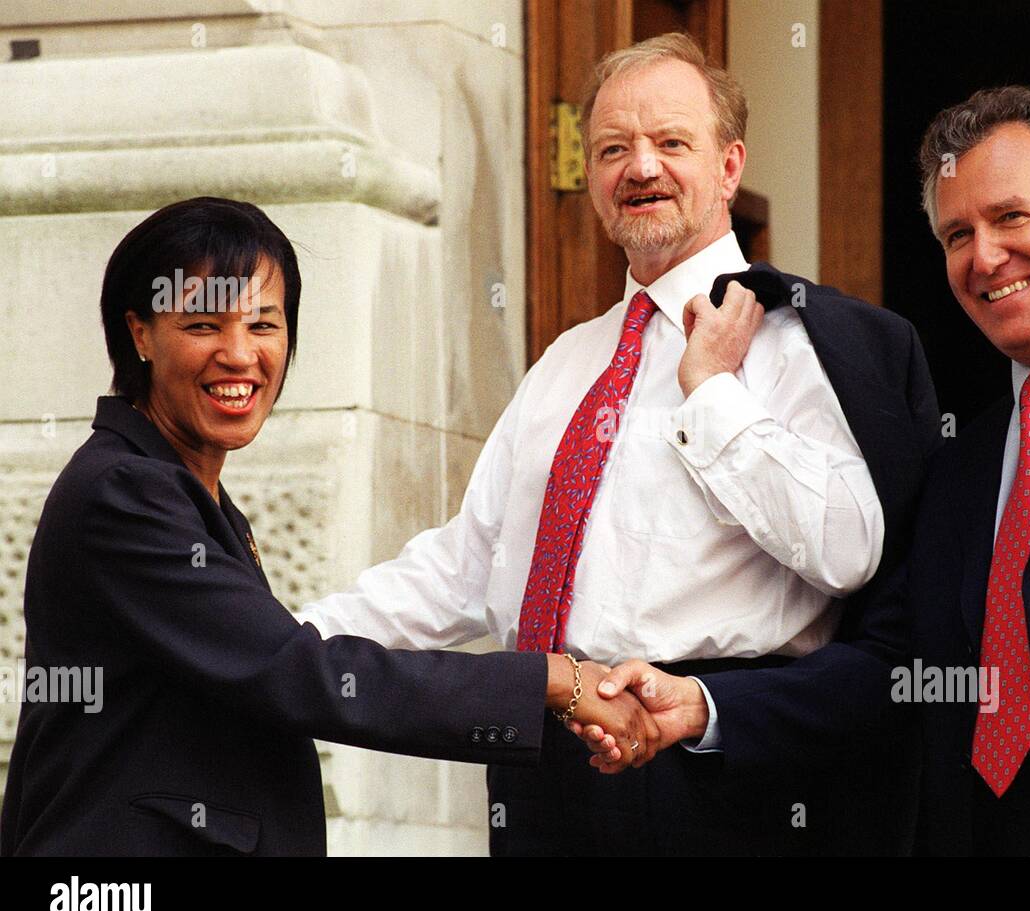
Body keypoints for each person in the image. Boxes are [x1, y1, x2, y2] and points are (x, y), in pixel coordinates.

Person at [586, 86, 1030, 856]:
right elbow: (896, 674)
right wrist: (700, 707)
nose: (985, 256)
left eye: (1011, 217)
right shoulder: (962, 461)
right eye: (958, 233)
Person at [297, 34, 938, 855]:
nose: (641, 168)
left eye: (672, 143)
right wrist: (289, 647)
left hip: (720, 775)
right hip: (546, 772)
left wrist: (710, 394)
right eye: (613, 149)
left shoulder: (805, 342)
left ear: (730, 166)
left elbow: (848, 549)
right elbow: (467, 564)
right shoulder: (565, 363)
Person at [0, 197, 650, 856]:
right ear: (139, 333)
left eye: (263, 324)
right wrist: (547, 681)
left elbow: (273, 667)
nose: (238, 354)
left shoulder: (186, 493)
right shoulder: (124, 490)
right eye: (202, 325)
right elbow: (295, 673)